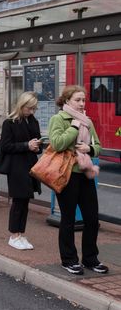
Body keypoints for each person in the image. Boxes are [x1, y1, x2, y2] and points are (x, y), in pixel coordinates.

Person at [49, 85, 106, 275]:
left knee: (91, 218)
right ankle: (69, 259)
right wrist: (74, 126)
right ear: (67, 101)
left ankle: (90, 259)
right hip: (67, 174)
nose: (82, 104)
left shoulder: (88, 121)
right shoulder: (58, 119)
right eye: (77, 100)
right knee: (68, 219)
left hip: (85, 173)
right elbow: (57, 143)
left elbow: (98, 145)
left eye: (83, 100)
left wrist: (89, 149)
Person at [0, 92, 42, 250]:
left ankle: (20, 233)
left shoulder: (33, 121)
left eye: (34, 109)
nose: (32, 112)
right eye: (29, 108)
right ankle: (14, 235)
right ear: (22, 105)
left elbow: (37, 143)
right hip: (16, 166)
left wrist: (37, 145)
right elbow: (5, 146)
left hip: (30, 165)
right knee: (18, 200)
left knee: (25, 201)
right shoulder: (9, 122)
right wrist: (26, 145)